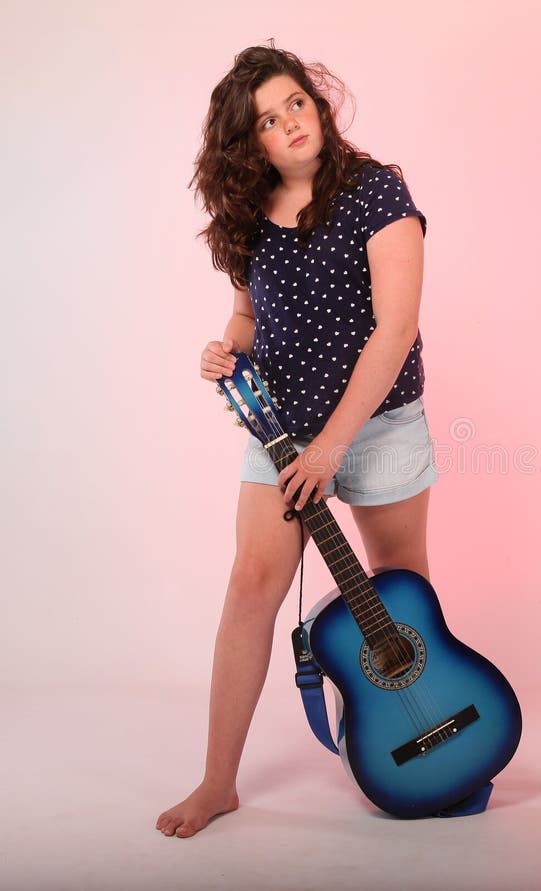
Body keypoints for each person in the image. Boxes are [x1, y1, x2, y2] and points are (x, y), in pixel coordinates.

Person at [156, 43, 438, 838]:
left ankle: (426, 745)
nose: (290, 124)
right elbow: (247, 316)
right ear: (250, 144)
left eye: (296, 104)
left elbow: (395, 328)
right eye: (267, 121)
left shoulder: (377, 190)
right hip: (280, 433)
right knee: (251, 586)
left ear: (317, 104)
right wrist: (226, 350)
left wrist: (332, 447)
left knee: (402, 595)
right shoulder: (247, 218)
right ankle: (218, 782)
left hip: (379, 422)